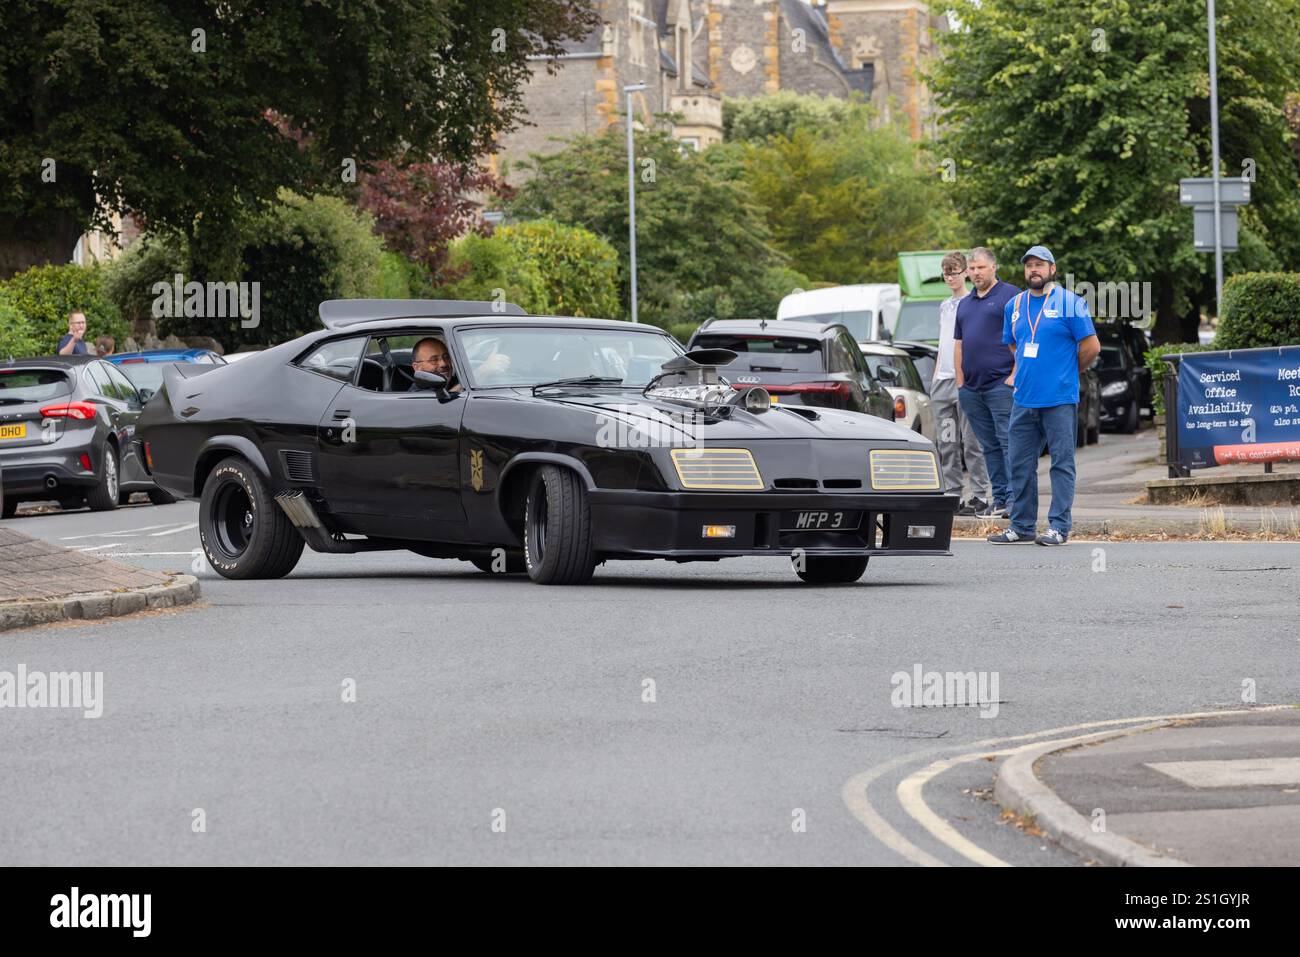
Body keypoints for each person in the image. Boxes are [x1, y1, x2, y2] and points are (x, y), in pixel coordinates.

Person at [987, 246, 1100, 546]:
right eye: (1029, 266)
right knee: (1020, 464)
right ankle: (1022, 525)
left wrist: (1067, 371)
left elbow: (1091, 347)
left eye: (1039, 265)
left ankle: (1059, 527)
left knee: (1061, 463)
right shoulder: (1013, 305)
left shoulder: (1070, 303)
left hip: (1060, 397)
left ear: (1052, 269)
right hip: (1024, 398)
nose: (1033, 270)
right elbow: (1014, 346)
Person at [954, 248, 1018, 518]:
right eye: (972, 268)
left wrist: (1014, 376)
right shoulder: (965, 304)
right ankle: (1000, 498)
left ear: (994, 267)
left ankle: (1016, 500)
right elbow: (958, 344)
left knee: (1008, 443)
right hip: (971, 389)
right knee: (988, 446)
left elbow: (1023, 337)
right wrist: (960, 381)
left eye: (981, 267)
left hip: (1000, 386)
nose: (976, 273)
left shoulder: (1011, 296)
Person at [931, 251, 991, 515]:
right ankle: (953, 493)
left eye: (954, 272)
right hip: (941, 382)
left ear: (965, 272)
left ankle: (980, 494)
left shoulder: (972, 302)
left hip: (964, 380)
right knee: (946, 441)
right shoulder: (944, 306)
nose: (950, 278)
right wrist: (935, 376)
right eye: (946, 273)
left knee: (971, 441)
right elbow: (943, 342)